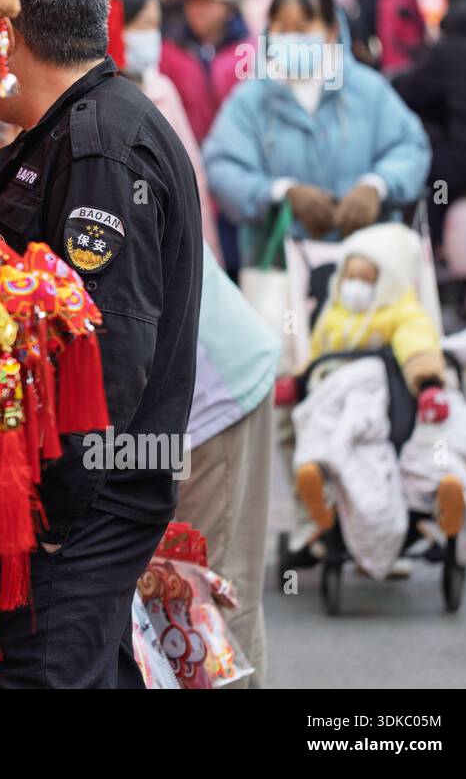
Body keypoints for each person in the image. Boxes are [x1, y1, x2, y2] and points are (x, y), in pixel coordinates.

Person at [0, 0, 203, 689]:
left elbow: (105, 356)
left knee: (41, 675)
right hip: (85, 500)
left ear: (1, 33)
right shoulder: (82, 125)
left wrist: (52, 520)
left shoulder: (102, 145)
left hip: (83, 508)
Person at [289, 224, 466, 580]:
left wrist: (428, 383)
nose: (356, 286)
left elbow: (418, 345)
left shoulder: (402, 310)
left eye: (366, 279)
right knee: (325, 419)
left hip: (385, 399)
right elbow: (315, 360)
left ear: (388, 280)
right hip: (338, 390)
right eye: (350, 276)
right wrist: (298, 382)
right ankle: (319, 474)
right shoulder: (333, 313)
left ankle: (439, 495)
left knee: (364, 445)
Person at [203, 0, 431, 263]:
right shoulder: (250, 100)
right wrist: (280, 193)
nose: (291, 38)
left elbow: (411, 146)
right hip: (282, 269)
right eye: (281, 28)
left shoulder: (366, 89)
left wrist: (377, 185)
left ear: (331, 29)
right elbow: (222, 167)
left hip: (367, 268)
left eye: (303, 28)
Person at [173, 247, 278, 689]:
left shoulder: (95, 180)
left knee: (212, 608)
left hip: (212, 399)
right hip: (175, 414)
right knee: (204, 606)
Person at [118, 0, 221, 261]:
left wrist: (206, 251)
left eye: (155, 26)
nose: (150, 36)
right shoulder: (98, 93)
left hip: (173, 243)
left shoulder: (162, 89)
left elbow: (192, 172)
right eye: (141, 25)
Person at [394, 0, 466, 248]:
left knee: (434, 181)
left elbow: (412, 90)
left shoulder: (450, 52)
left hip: (464, 160)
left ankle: (433, 242)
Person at [159, 0, 251, 144]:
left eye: (207, 2)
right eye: (192, 2)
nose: (198, 10)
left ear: (228, 8)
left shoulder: (249, 51)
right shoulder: (169, 52)